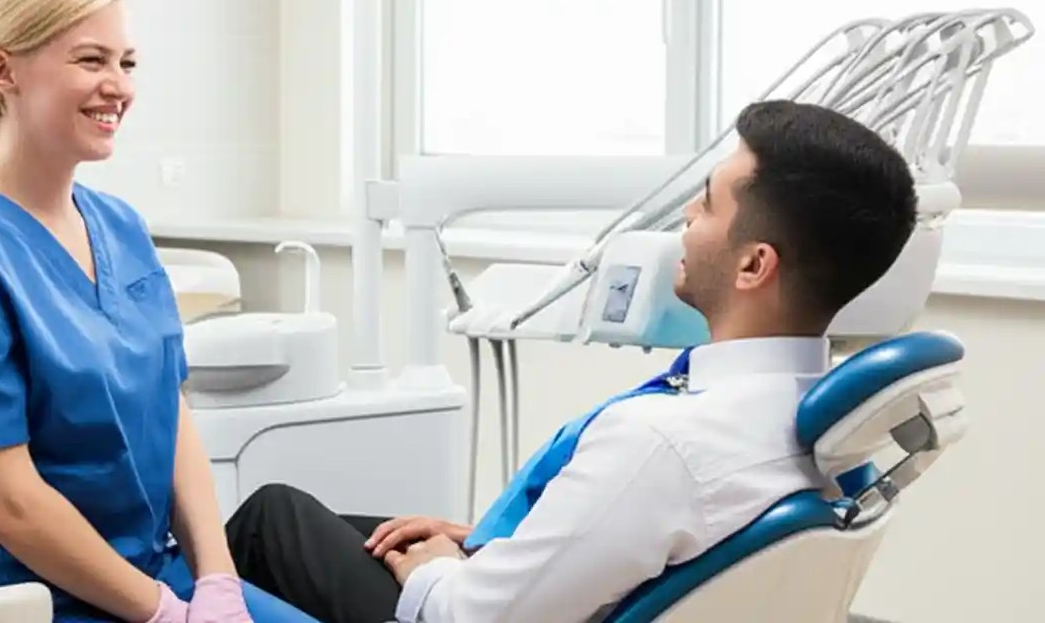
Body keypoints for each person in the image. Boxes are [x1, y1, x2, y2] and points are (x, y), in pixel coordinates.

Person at [222, 100, 920, 623]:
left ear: (753, 264)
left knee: (269, 519)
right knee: (362, 530)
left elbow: (474, 619)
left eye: (705, 205)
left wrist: (441, 572)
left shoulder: (664, 445)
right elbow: (658, 543)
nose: (684, 217)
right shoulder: (822, 424)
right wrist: (506, 543)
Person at [0, 0, 315, 623]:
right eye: (91, 60)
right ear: (3, 71)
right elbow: (10, 508)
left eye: (127, 64)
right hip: (8, 598)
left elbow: (171, 412)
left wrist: (216, 582)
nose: (117, 87)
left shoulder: (118, 226)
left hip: (144, 576)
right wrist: (163, 612)